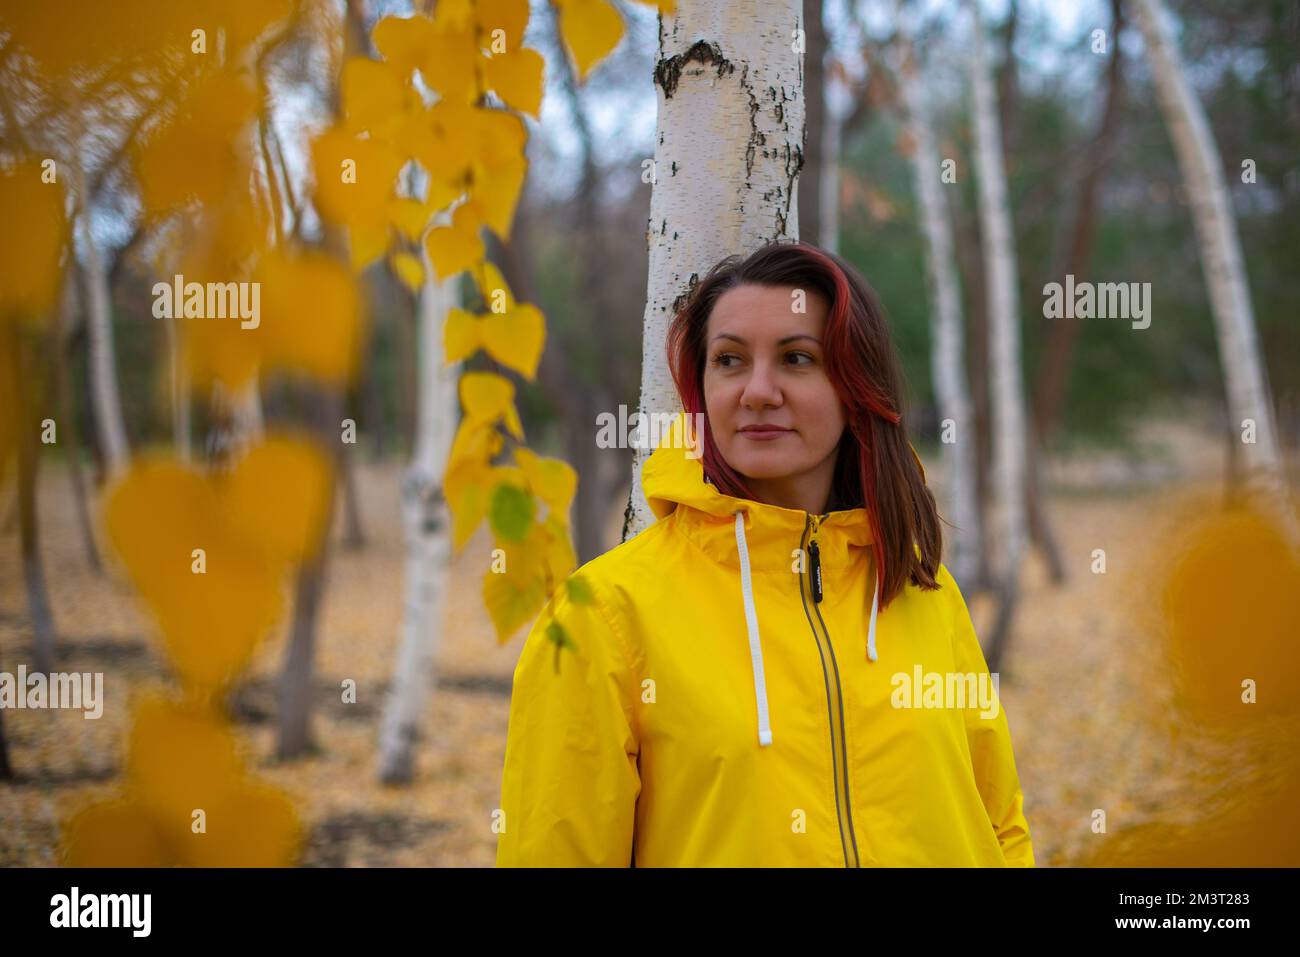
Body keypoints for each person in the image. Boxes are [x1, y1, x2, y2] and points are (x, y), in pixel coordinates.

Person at [495, 239, 1035, 867]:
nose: (757, 391)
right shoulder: (606, 615)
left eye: (796, 358)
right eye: (728, 360)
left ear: (855, 386)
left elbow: (999, 825)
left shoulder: (920, 588)